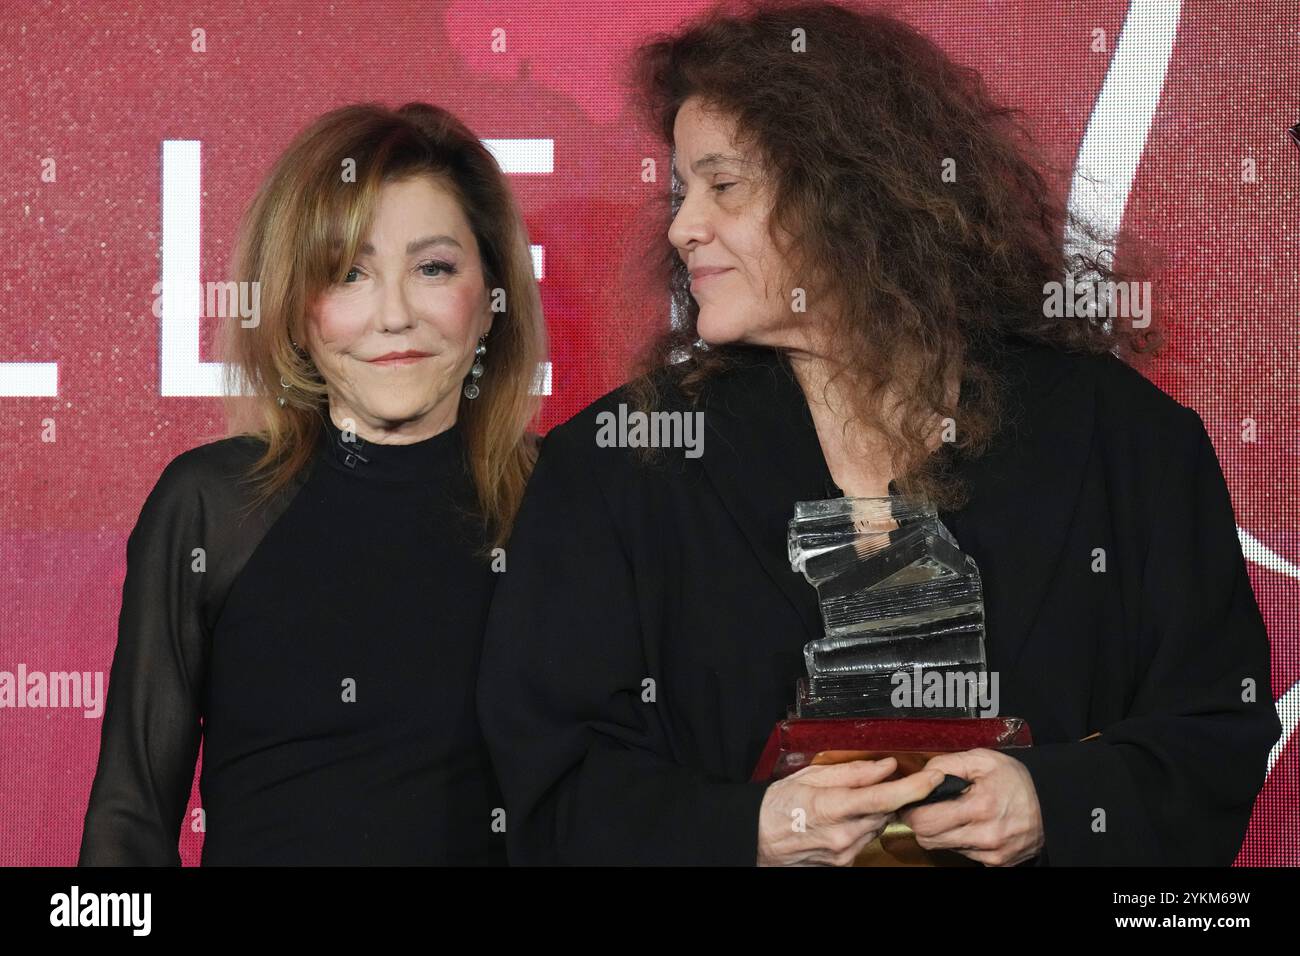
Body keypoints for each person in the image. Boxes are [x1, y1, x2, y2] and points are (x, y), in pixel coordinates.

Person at [476, 2, 1281, 866]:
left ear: (851, 188)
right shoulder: (615, 465)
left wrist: (1055, 803)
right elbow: (553, 786)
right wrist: (749, 831)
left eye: (725, 185)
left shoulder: (1127, 442)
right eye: (682, 192)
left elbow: (1215, 733)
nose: (681, 227)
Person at [79, 102, 546, 865]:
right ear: (296, 310)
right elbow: (126, 825)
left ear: (492, 298)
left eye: (433, 268)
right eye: (347, 274)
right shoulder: (211, 506)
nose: (393, 315)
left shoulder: (563, 507)